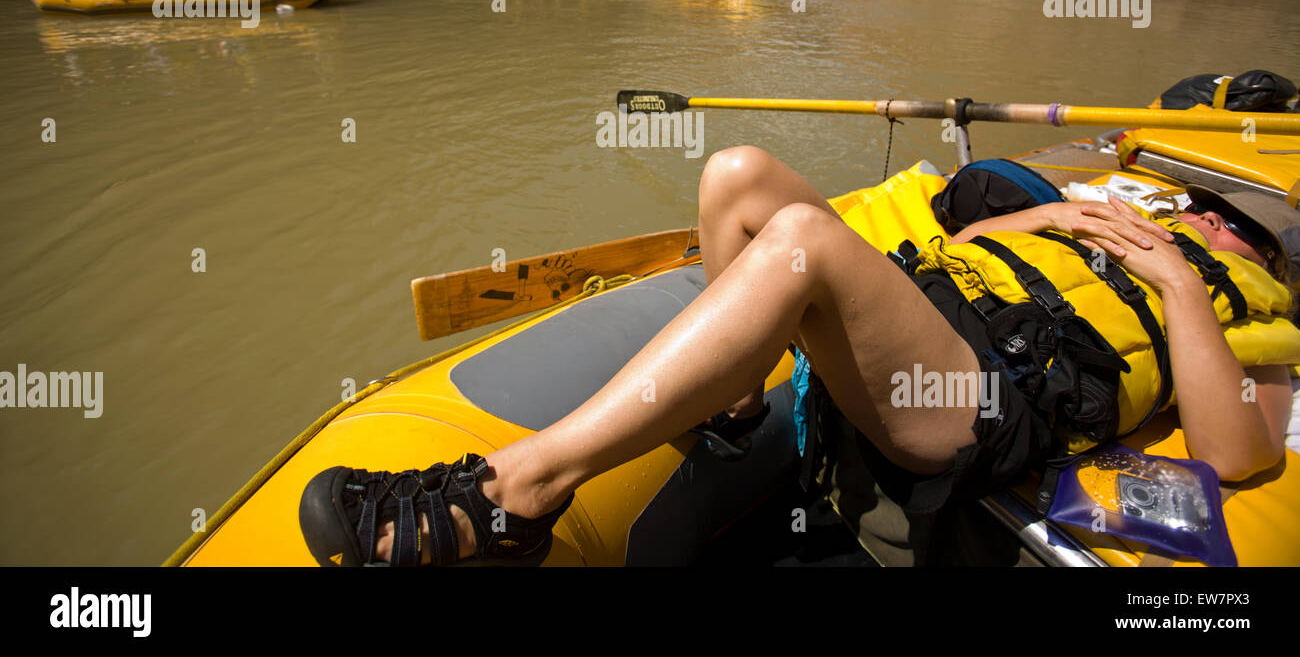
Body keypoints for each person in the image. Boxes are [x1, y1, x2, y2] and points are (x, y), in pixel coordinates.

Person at [298, 147, 1300, 566]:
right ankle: (733, 408)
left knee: (803, 247)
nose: (1203, 223)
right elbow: (959, 251)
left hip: (978, 399)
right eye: (1194, 210)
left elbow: (1237, 454)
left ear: (1257, 261)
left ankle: (516, 492)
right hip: (936, 324)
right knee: (741, 177)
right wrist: (1054, 217)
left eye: (1228, 229)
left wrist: (1176, 283)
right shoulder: (1094, 229)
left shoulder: (1247, 322)